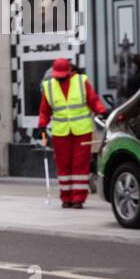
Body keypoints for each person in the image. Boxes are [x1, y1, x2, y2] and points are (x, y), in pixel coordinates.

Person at [38, 56, 108, 208]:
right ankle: (65, 198)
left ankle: (78, 199)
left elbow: (93, 100)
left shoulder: (81, 82)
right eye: (58, 77)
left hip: (81, 130)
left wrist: (101, 111)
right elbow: (44, 109)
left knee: (80, 164)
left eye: (63, 77)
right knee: (63, 165)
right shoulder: (49, 86)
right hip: (60, 132)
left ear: (69, 72)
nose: (60, 80)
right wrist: (42, 125)